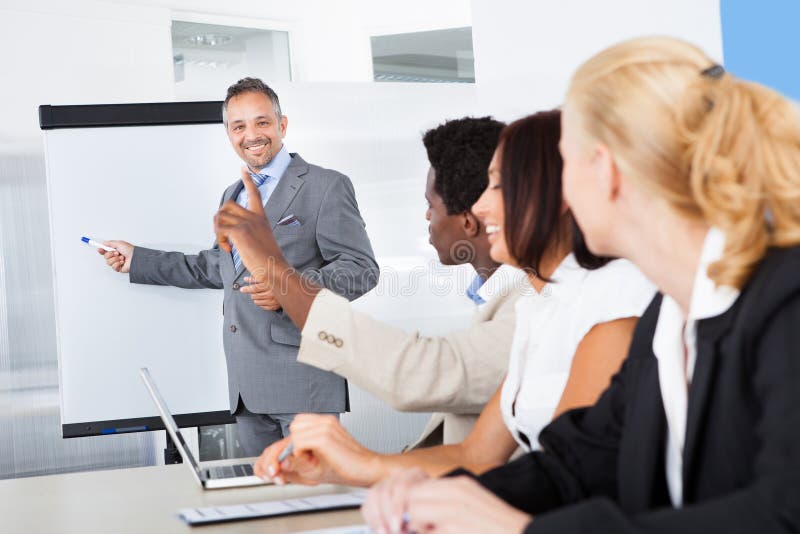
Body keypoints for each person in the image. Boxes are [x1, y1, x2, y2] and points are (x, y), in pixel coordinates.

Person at [364, 36, 800, 534]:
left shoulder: (785, 299)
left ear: (605, 171)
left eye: (564, 164)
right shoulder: (669, 315)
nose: (558, 191)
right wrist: (446, 498)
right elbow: (579, 462)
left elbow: (782, 512)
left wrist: (521, 531)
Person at [212, 110, 655, 487]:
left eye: (497, 186)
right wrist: (351, 467)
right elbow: (480, 455)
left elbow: (424, 371)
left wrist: (276, 269)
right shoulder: (542, 307)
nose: (479, 208)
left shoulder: (597, 305)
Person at [97, 77, 378, 455]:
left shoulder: (325, 186)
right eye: (238, 126)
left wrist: (287, 287)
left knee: (314, 501)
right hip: (246, 386)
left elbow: (360, 268)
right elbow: (218, 268)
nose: (252, 135)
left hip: (305, 381)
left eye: (262, 122)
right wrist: (139, 259)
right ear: (229, 134)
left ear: (282, 125)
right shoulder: (234, 194)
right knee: (265, 504)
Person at [250, 116, 530, 449]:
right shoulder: (494, 298)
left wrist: (280, 274)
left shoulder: (531, 305)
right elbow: (472, 451)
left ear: (469, 221)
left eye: (431, 205)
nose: (427, 216)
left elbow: (421, 373)